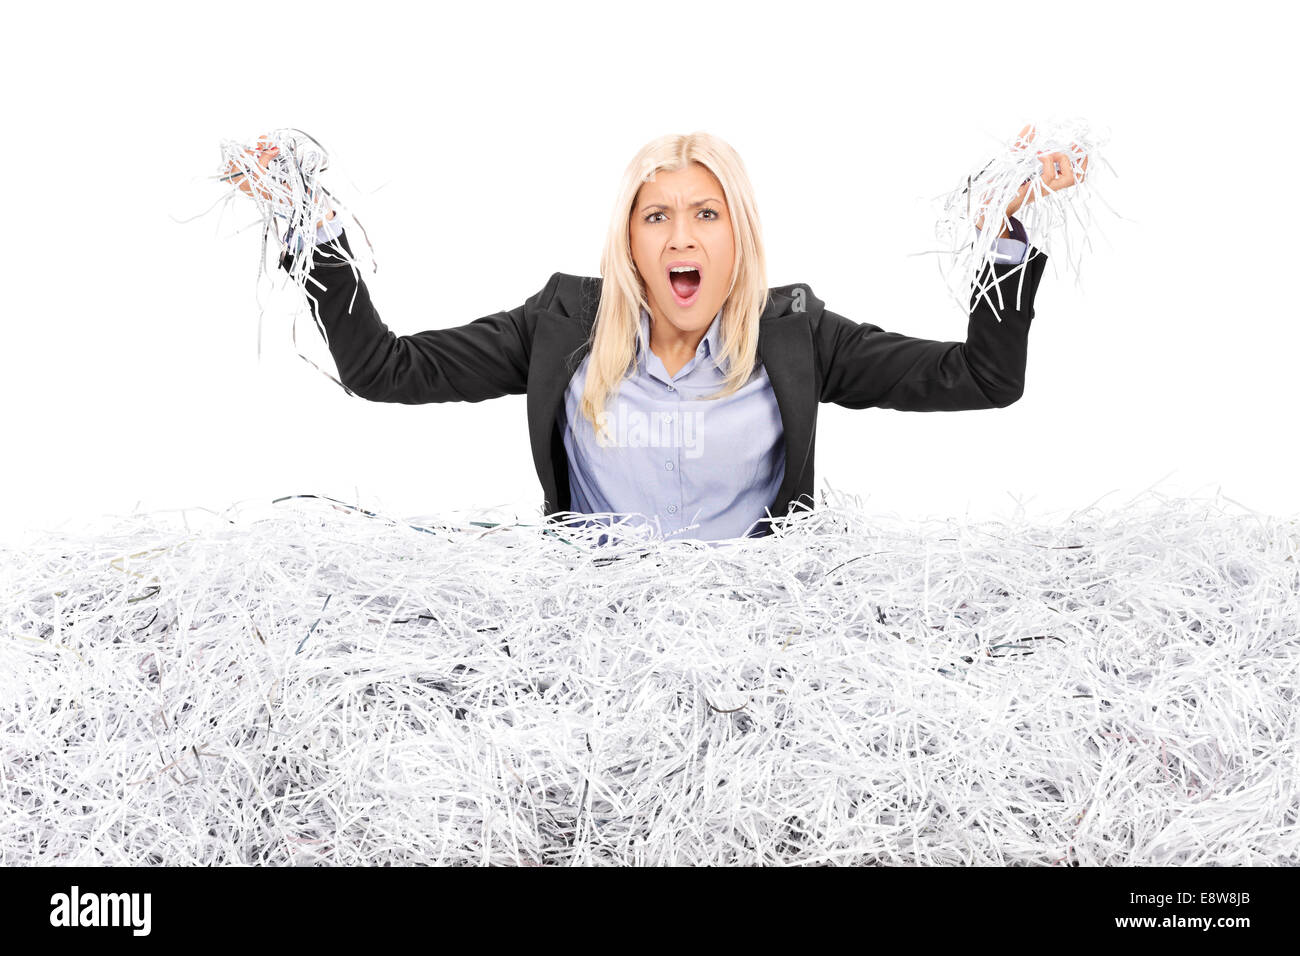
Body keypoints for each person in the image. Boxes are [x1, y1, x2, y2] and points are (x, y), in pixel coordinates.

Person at [227, 129, 1085, 542]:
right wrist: (310, 231)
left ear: (736, 235)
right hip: (600, 660)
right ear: (628, 240)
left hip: (758, 665)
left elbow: (980, 378)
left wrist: (1006, 231)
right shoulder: (562, 326)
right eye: (658, 216)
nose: (682, 238)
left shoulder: (796, 334)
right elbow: (386, 369)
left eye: (706, 215)